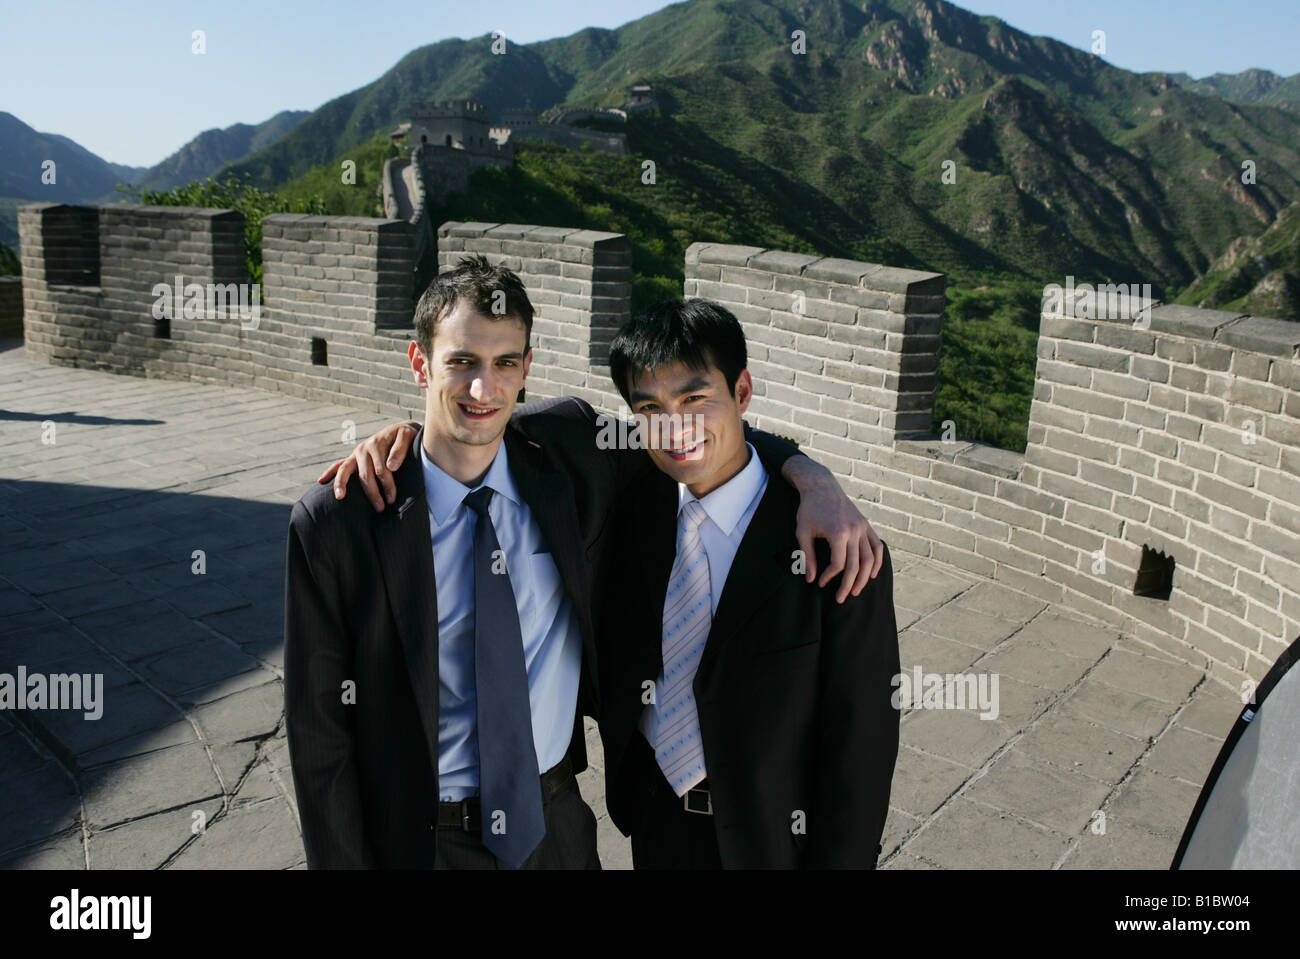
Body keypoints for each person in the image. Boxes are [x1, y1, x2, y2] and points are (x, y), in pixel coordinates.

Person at [289, 254, 883, 869]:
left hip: (557, 830)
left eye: (504, 363)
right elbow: (318, 741)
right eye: (460, 361)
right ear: (420, 363)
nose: (482, 388)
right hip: (420, 842)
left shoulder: (571, 453)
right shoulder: (340, 522)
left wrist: (812, 478)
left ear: (526, 370)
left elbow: (697, 432)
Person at [598, 299, 900, 868]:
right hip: (656, 819)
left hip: (776, 841)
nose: (675, 427)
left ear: (741, 393)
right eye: (650, 407)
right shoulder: (631, 506)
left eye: (694, 399)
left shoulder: (836, 546)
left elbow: (862, 739)